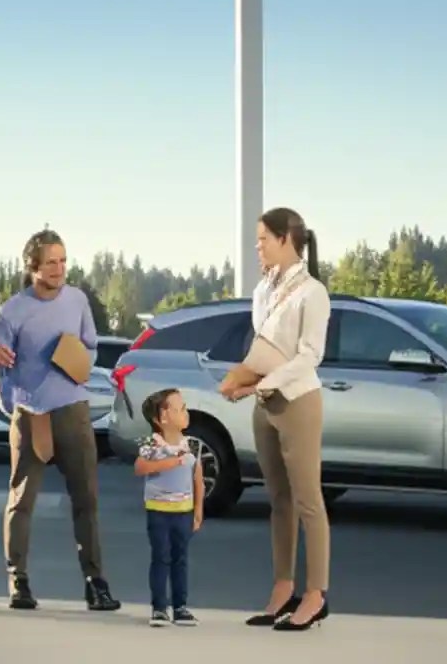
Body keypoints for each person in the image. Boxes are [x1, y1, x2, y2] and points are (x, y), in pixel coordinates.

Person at [0, 229, 120, 612]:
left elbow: (91, 347)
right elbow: (0, 368)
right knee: (22, 500)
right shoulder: (13, 311)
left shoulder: (77, 301)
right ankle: (19, 582)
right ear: (33, 267)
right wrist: (15, 407)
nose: (59, 269)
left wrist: (77, 360)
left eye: (63, 261)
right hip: (32, 415)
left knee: (87, 499)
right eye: (51, 262)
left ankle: (96, 584)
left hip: (73, 410)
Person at [218, 207, 331, 632]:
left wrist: (263, 384)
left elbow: (309, 356)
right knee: (278, 500)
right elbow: (264, 344)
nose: (257, 246)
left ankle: (316, 594)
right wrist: (246, 381)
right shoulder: (262, 290)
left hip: (297, 401)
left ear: (286, 239)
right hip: (264, 404)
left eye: (263, 238)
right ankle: (282, 589)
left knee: (308, 500)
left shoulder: (312, 292)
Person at [134, 388, 203, 628]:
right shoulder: (151, 444)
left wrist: (198, 510)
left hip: (183, 511)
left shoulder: (191, 445)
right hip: (159, 511)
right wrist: (170, 462)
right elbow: (140, 467)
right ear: (162, 418)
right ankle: (159, 607)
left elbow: (198, 479)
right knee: (160, 557)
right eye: (180, 408)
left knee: (180, 558)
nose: (186, 413)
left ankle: (180, 606)